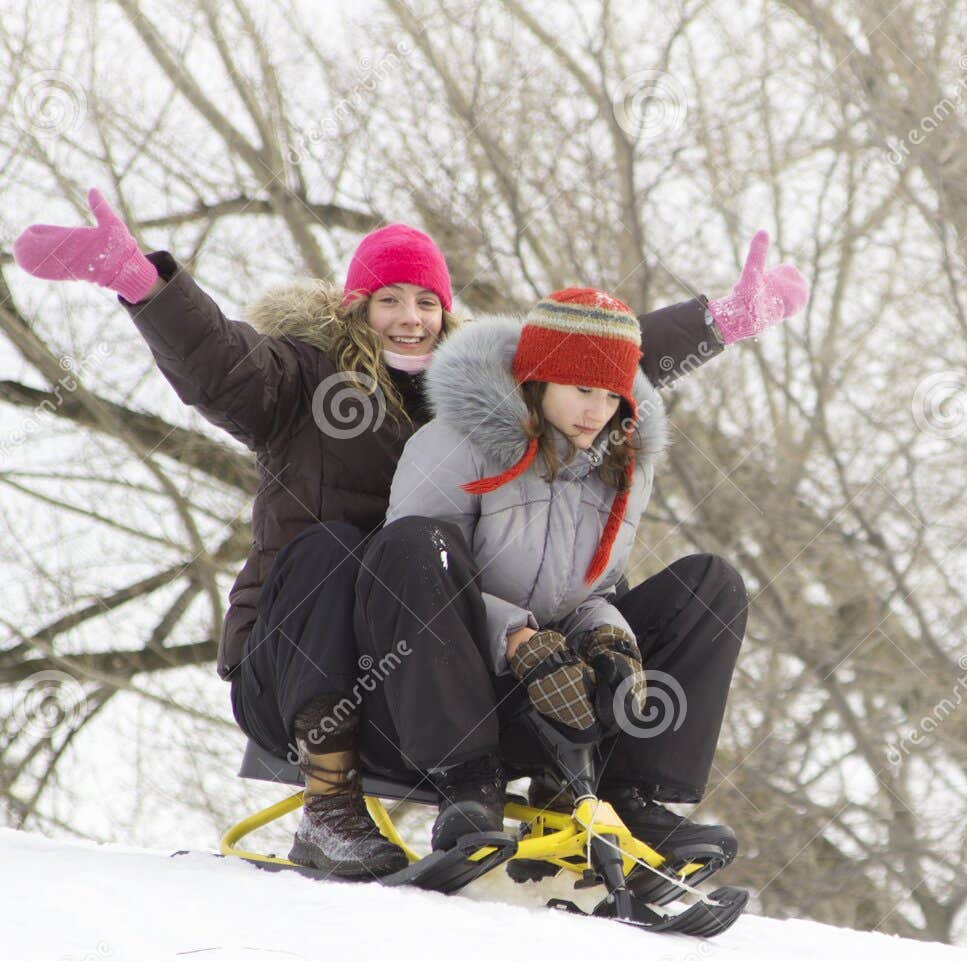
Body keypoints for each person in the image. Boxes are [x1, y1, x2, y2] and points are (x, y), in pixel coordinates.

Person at [12, 189, 801, 878]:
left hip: (435, 673)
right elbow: (221, 364)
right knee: (345, 550)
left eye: (425, 302)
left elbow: (591, 365)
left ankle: (627, 789)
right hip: (302, 666)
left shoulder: (483, 403)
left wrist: (720, 322)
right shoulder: (303, 379)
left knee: (643, 575)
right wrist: (145, 284)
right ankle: (329, 802)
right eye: (388, 300)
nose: (409, 317)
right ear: (353, 308)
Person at [376, 281, 777, 875]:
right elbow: (405, 577)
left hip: (554, 694)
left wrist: (606, 637)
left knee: (711, 584)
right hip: (437, 690)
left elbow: (596, 588)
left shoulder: (621, 464)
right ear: (539, 380)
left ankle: (632, 794)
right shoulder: (454, 443)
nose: (598, 410)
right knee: (414, 545)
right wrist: (515, 639)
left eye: (613, 394)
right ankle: (469, 787)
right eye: (582, 389)